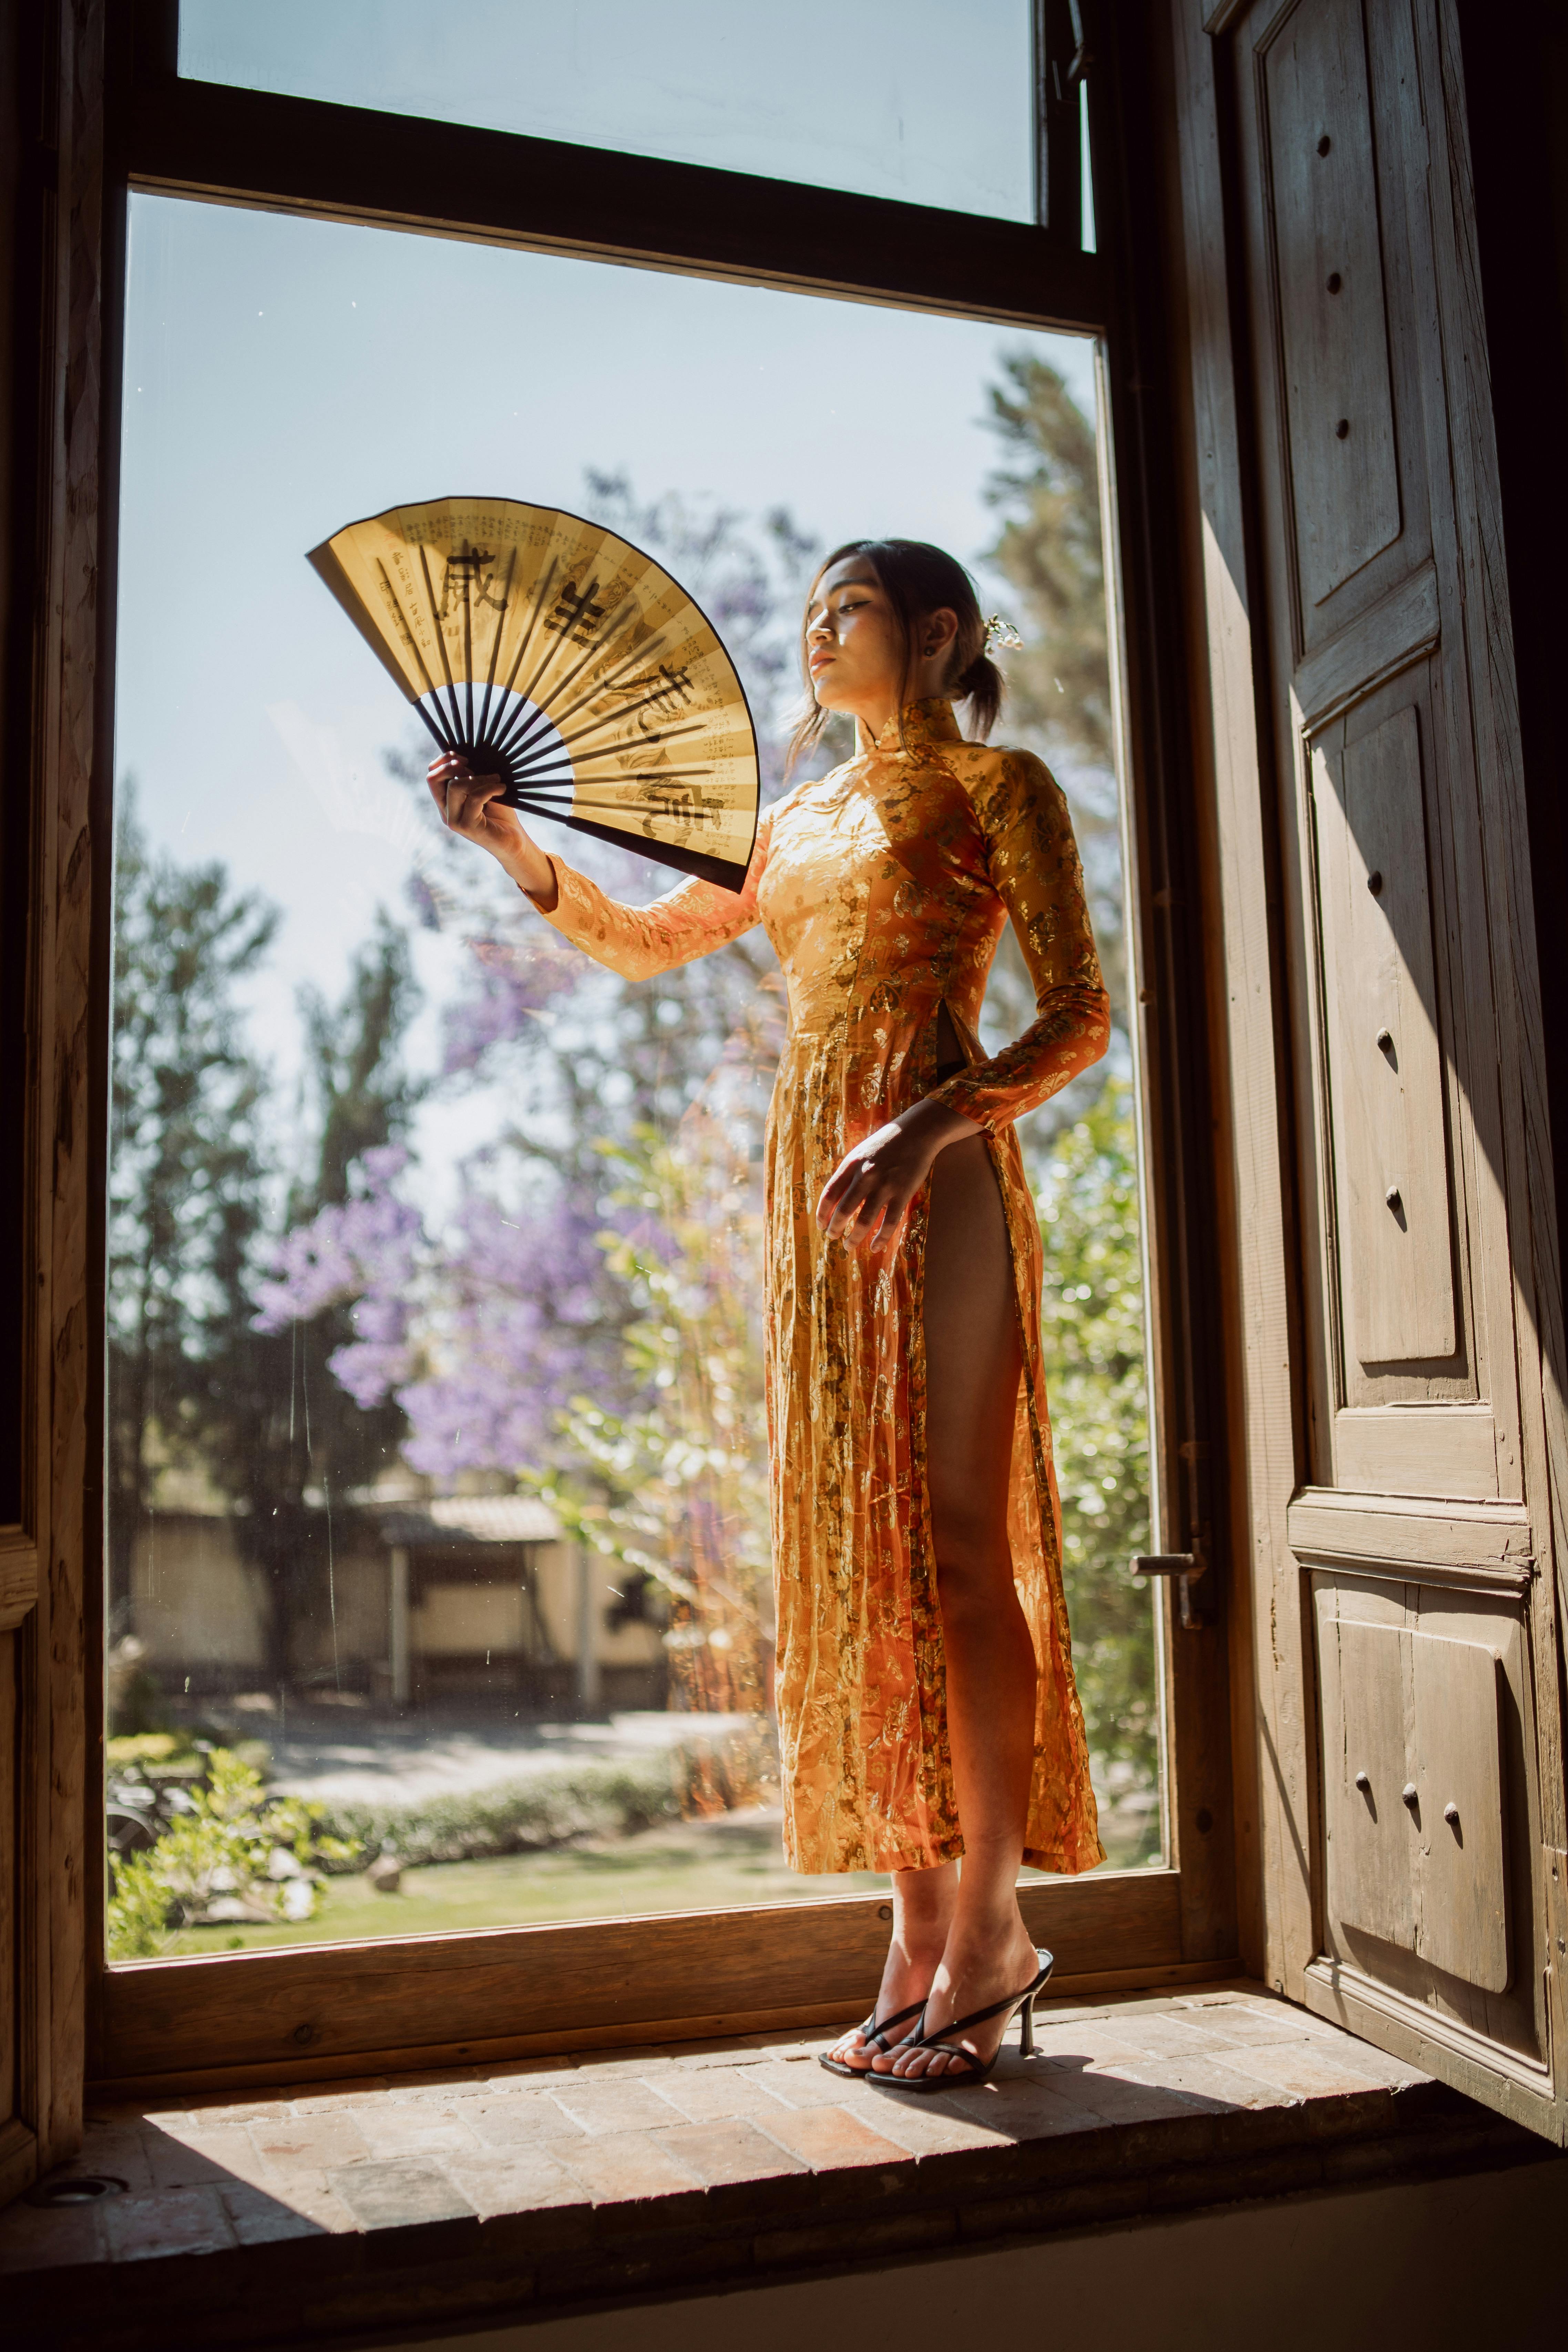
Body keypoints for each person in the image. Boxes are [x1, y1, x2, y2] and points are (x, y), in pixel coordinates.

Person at [429, 537, 1110, 2088]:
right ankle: (916, 1934)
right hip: (813, 1187)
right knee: (859, 1563)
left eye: (847, 608)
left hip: (932, 1169)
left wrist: (936, 1122)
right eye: (810, 608)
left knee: (947, 1538)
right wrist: (512, 849)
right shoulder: (791, 823)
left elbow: (1078, 1014)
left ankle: (994, 1926)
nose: (814, 630)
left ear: (934, 635)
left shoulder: (1002, 791)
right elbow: (648, 942)